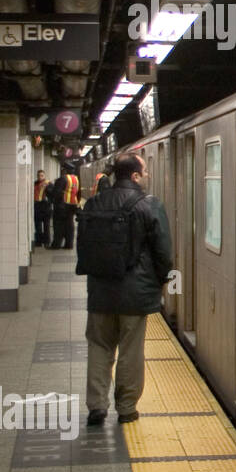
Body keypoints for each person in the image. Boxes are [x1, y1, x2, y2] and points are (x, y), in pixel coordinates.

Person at [78, 152, 173, 426]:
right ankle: (127, 407)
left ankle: (97, 405)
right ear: (134, 176)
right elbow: (163, 252)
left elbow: (83, 247)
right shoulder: (149, 205)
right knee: (131, 350)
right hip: (135, 294)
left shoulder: (94, 203)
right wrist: (162, 281)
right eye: (144, 172)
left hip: (99, 291)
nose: (147, 176)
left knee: (99, 346)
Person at [49, 165, 81, 249]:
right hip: (72, 205)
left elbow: (57, 193)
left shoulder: (62, 179)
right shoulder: (76, 179)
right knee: (69, 225)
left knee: (58, 226)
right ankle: (69, 244)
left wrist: (49, 191)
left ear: (65, 170)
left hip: (62, 206)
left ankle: (56, 244)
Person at [33, 170, 53, 247]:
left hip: (46, 206)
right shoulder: (35, 183)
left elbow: (52, 194)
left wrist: (49, 202)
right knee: (37, 225)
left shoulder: (49, 184)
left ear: (44, 176)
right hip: (37, 206)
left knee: (46, 225)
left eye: (41, 175)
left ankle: (47, 242)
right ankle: (39, 241)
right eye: (38, 175)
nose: (40, 177)